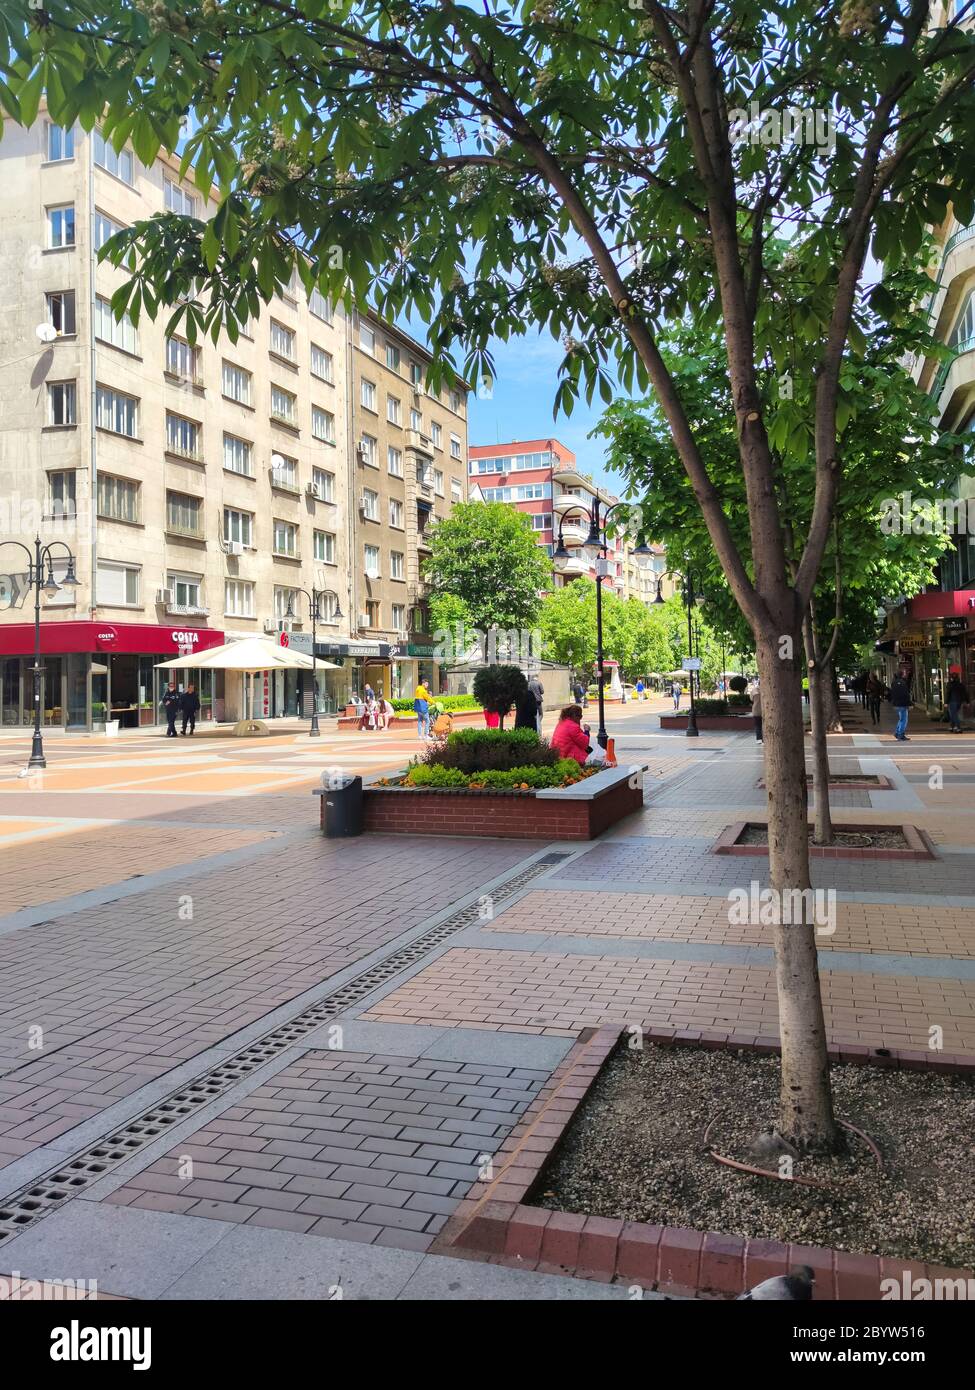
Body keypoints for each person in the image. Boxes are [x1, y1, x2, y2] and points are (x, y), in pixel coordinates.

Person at [889, 669, 912, 741]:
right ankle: (900, 734)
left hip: (896, 704)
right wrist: (909, 703)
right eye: (904, 673)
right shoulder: (903, 683)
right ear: (902, 675)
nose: (905, 674)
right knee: (904, 720)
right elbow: (906, 694)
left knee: (901, 719)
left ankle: (897, 732)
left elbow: (892, 693)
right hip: (903, 703)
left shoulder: (894, 683)